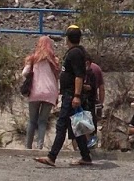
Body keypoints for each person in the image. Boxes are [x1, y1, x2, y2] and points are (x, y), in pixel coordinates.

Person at [35, 26, 94, 167]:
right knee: (75, 126)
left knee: (62, 125)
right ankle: (86, 156)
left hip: (71, 95)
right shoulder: (76, 53)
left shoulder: (74, 54)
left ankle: (52, 156)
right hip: (70, 94)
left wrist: (77, 96)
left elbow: (79, 76)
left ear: (68, 38)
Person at [21, 36, 61, 149]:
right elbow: (57, 77)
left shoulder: (33, 58)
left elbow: (24, 73)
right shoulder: (55, 60)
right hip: (50, 93)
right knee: (42, 121)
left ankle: (28, 146)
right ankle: (40, 146)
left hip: (36, 92)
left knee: (32, 121)